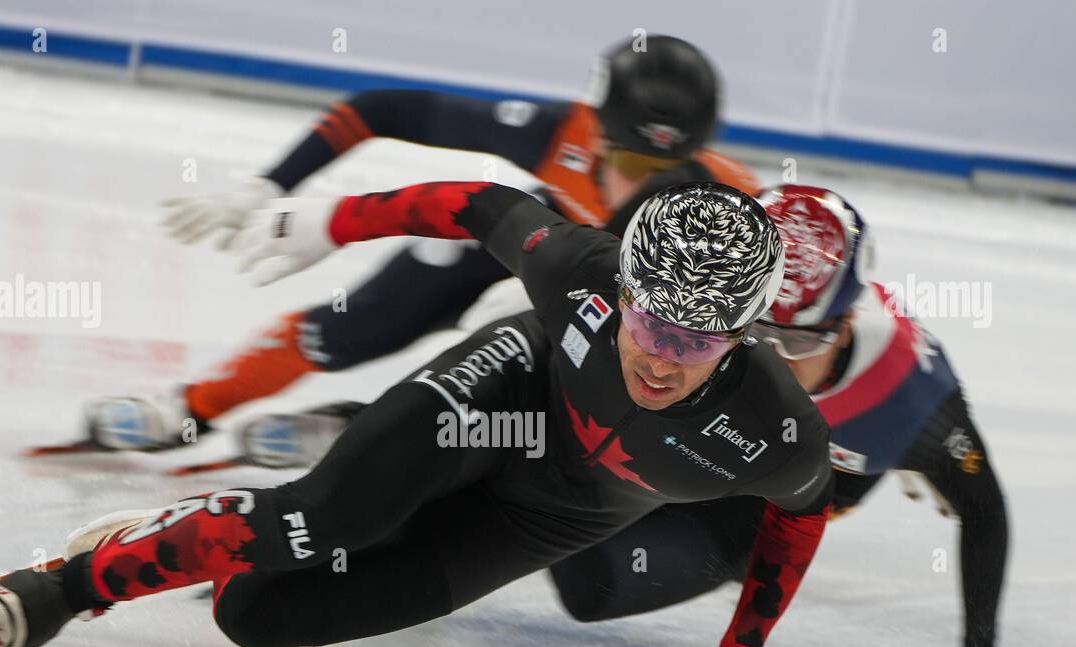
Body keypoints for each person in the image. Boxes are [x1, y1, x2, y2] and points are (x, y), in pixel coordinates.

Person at [0, 180, 838, 647]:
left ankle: (192, 531)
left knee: (259, 616)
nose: (662, 360)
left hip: (550, 515)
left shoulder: (777, 431)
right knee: (321, 517)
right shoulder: (580, 276)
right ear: (622, 287)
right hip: (507, 387)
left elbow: (804, 516)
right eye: (651, 323)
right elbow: (477, 203)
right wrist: (321, 225)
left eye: (698, 339)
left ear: (748, 333)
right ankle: (61, 589)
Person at [52, 34, 761, 454]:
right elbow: (380, 109)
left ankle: (384, 436)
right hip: (548, 238)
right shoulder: (562, 136)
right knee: (368, 315)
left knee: (517, 360)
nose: (632, 184)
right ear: (595, 130)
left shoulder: (733, 214)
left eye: (659, 175)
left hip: (624, 312)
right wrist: (270, 186)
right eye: (627, 161)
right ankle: (195, 405)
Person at [548, 184, 1076, 647]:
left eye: (796, 343)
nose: (771, 361)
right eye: (751, 330)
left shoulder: (909, 398)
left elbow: (985, 511)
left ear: (845, 324)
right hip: (702, 444)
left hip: (766, 496)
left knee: (594, 583)